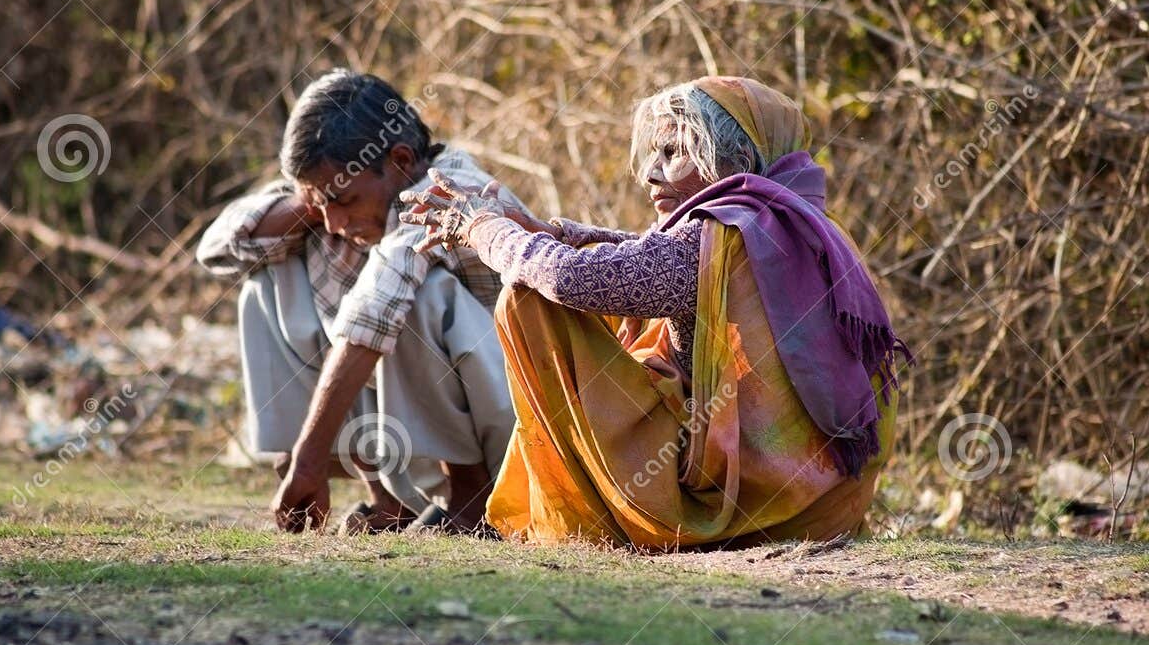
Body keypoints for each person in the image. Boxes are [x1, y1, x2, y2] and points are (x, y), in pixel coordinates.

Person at [400, 76, 907, 549]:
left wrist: (484, 230)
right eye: (653, 153)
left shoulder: (722, 234)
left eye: (674, 152)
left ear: (732, 160)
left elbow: (569, 279)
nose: (650, 173)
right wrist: (545, 231)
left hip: (742, 509)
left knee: (528, 299)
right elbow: (649, 262)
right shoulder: (793, 225)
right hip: (819, 506)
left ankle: (602, 519)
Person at [196, 69, 524, 534]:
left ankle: (472, 496)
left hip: (517, 425)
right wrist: (314, 202)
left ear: (401, 160)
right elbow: (218, 250)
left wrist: (310, 462)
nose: (332, 221)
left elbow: (373, 315)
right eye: (319, 203)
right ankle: (387, 497)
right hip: (411, 421)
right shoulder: (354, 206)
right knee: (269, 280)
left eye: (343, 199)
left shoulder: (445, 194)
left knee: (421, 300)